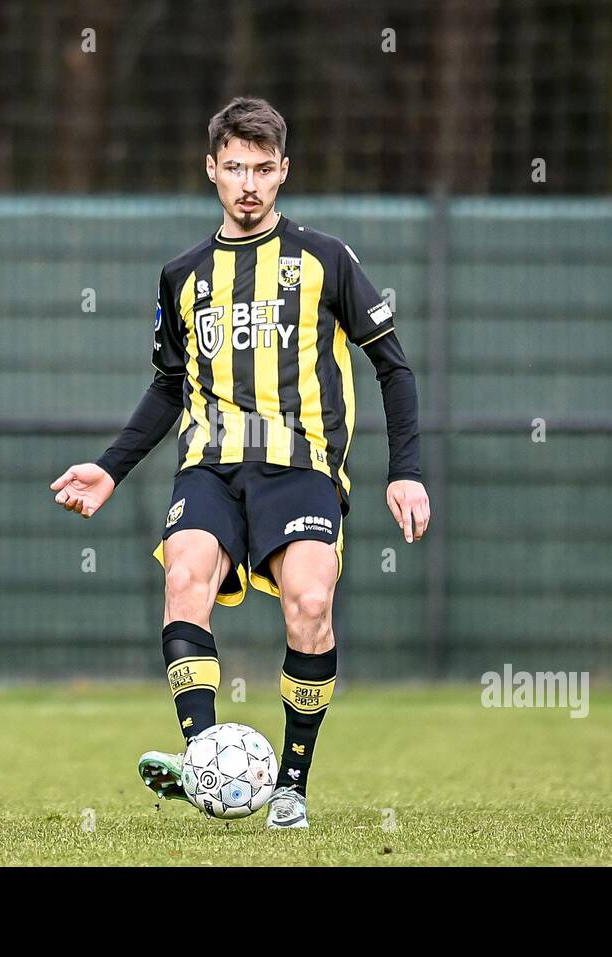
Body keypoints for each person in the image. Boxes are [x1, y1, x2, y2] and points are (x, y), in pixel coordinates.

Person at [50, 96, 429, 829]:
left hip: (302, 466)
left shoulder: (325, 259)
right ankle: (202, 760)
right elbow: (169, 386)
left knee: (311, 604)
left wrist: (405, 468)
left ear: (283, 172)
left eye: (262, 168)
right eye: (234, 167)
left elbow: (394, 367)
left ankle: (290, 783)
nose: (248, 183)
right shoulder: (182, 276)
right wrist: (111, 466)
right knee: (185, 573)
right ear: (211, 171)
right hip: (211, 464)